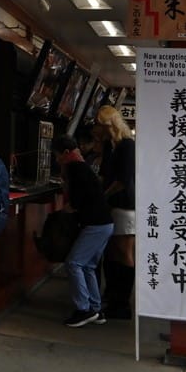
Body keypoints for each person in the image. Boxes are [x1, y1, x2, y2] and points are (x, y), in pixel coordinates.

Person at [52, 135, 113, 326]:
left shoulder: (74, 168)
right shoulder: (82, 165)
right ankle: (95, 309)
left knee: (74, 263)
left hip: (95, 224)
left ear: (66, 153)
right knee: (87, 266)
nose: (56, 159)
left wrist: (64, 211)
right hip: (104, 223)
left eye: (57, 155)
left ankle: (83, 310)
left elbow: (77, 200)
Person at [97, 104, 136, 319]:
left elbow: (123, 179)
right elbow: (105, 174)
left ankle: (122, 302)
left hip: (124, 204)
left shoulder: (127, 145)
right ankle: (112, 295)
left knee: (124, 251)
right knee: (111, 250)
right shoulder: (110, 146)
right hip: (112, 203)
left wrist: (103, 195)